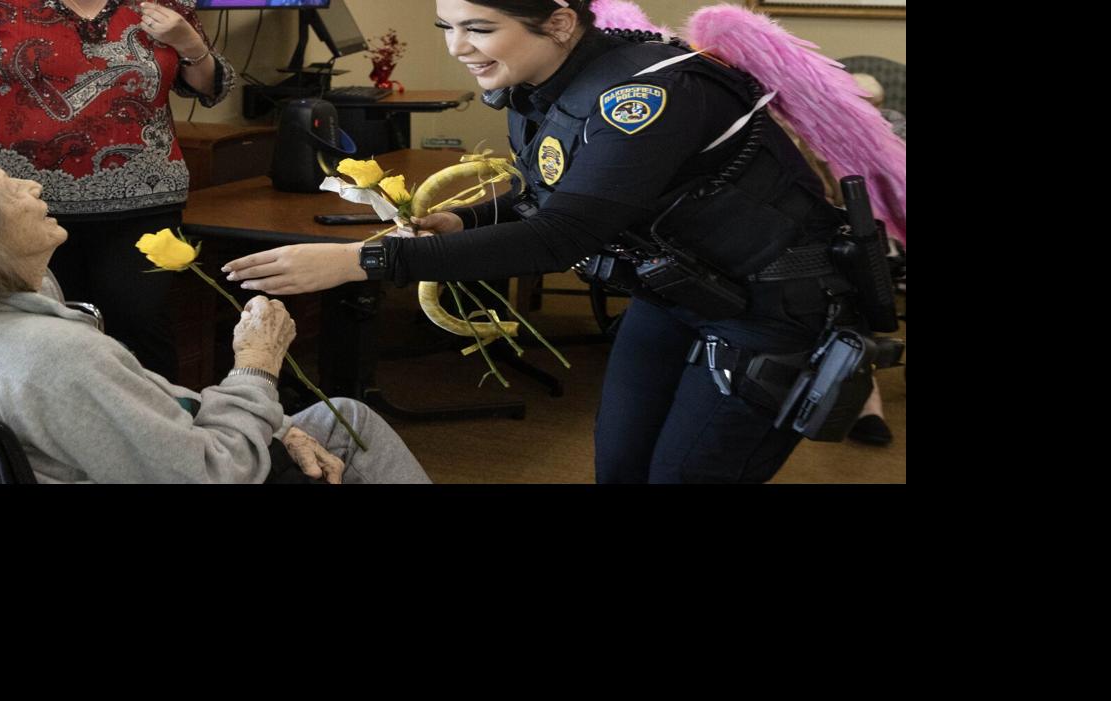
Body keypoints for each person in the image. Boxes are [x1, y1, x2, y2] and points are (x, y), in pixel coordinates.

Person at [221, 0, 874, 483]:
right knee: (620, 470)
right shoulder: (540, 87)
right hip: (672, 296)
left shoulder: (646, 94)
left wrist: (360, 261)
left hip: (768, 313)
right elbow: (554, 192)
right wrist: (465, 221)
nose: (457, 47)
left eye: (479, 28)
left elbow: (561, 235)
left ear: (559, 22)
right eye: (447, 27)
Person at [0, 146, 430, 485]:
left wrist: (272, 423)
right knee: (351, 421)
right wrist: (256, 370)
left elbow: (139, 413)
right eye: (5, 188)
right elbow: (212, 474)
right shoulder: (50, 355)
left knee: (323, 420)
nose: (31, 187)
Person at [0, 0, 236, 382]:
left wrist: (188, 43)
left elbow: (209, 88)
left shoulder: (165, 2)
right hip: (24, 207)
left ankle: (161, 431)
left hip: (144, 200)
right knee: (43, 337)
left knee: (140, 329)